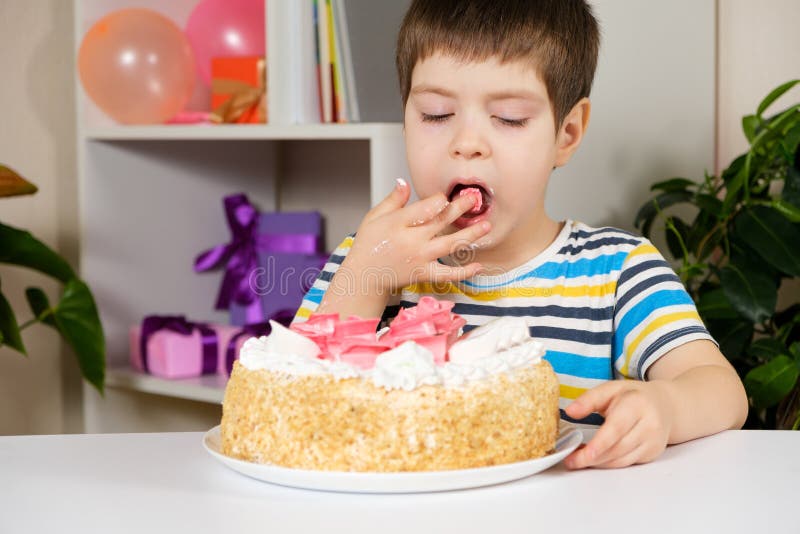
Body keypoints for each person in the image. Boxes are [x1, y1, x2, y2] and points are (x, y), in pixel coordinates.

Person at [292, 0, 748, 469]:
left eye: (508, 118)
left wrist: (667, 407)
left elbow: (721, 390)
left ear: (566, 133)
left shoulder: (617, 272)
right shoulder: (370, 256)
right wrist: (367, 278)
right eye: (435, 113)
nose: (466, 144)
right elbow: (293, 397)